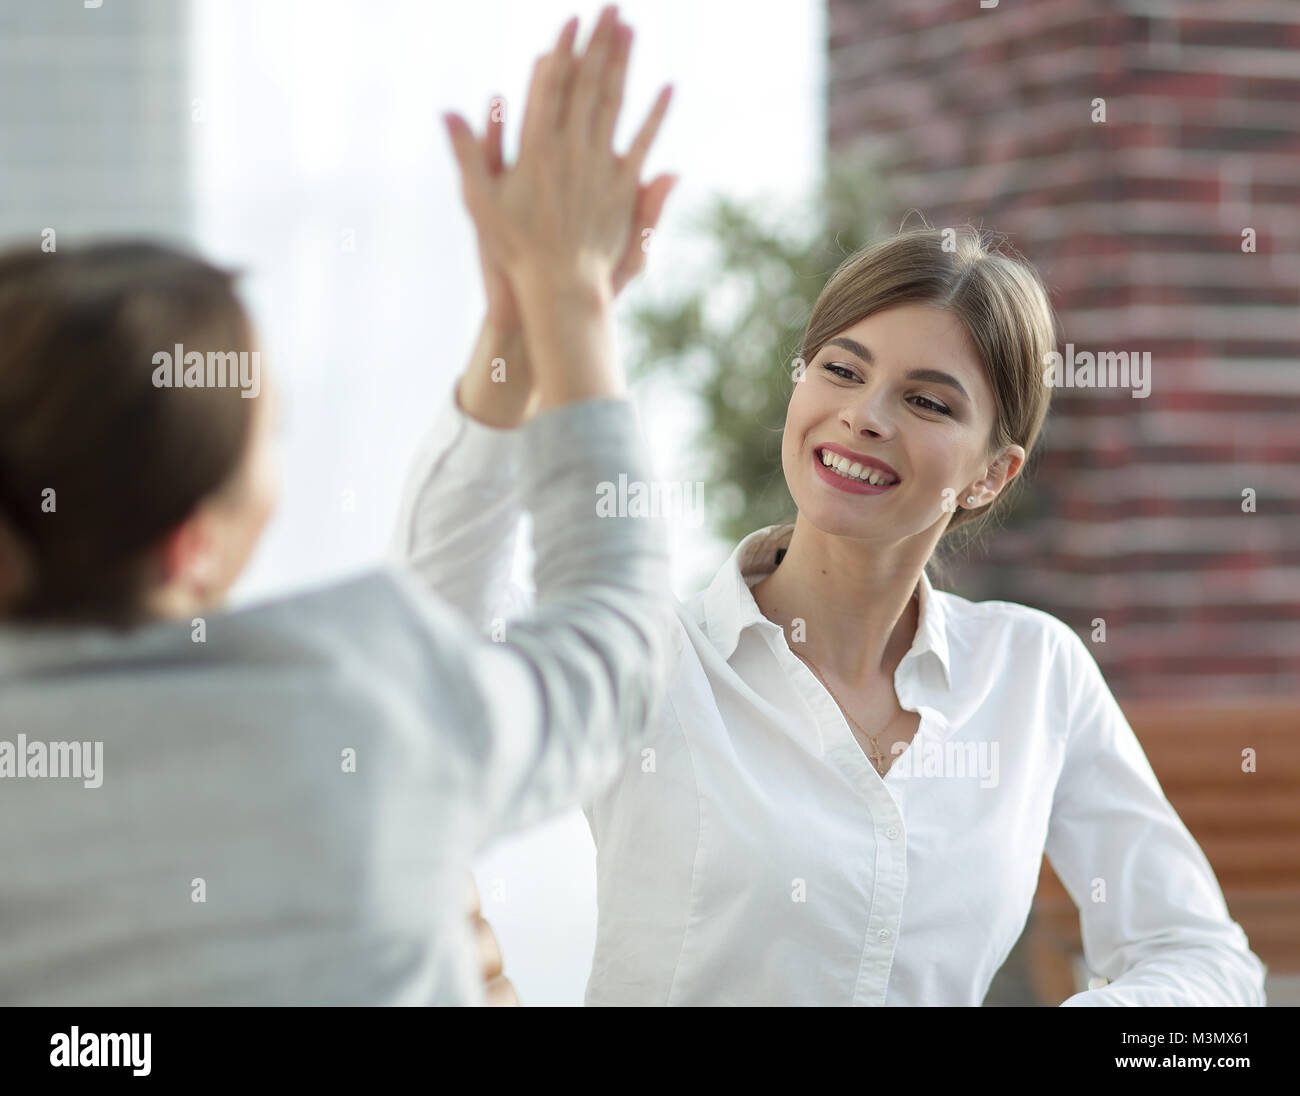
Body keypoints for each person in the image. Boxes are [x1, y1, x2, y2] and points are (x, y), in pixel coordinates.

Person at [406, 87, 1268, 1003]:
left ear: (991, 474)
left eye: (928, 401)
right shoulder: (651, 662)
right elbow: (425, 651)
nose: (863, 417)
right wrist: (518, 327)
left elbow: (1211, 968)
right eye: (842, 370)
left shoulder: (1034, 672)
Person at [0, 5, 676, 1006]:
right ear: (193, 544)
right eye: (271, 442)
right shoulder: (359, 707)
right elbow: (613, 644)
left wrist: (520, 335)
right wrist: (569, 297)